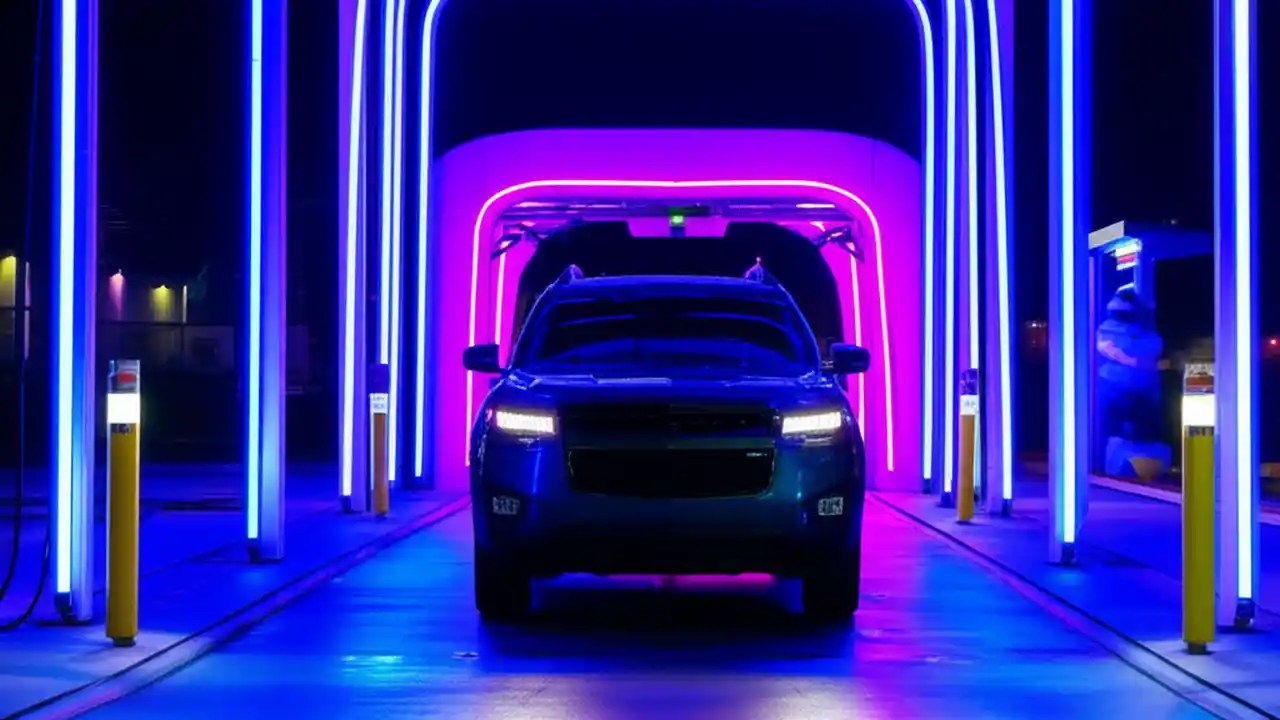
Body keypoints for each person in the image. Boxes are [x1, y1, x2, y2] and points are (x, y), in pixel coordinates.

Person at [1096, 284, 1168, 478]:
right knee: (1118, 431)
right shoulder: (1102, 336)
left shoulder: (1104, 336)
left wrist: (1120, 356)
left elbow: (1148, 356)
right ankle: (1116, 466)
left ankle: (1120, 466)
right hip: (1123, 393)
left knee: (1127, 432)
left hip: (1133, 394)